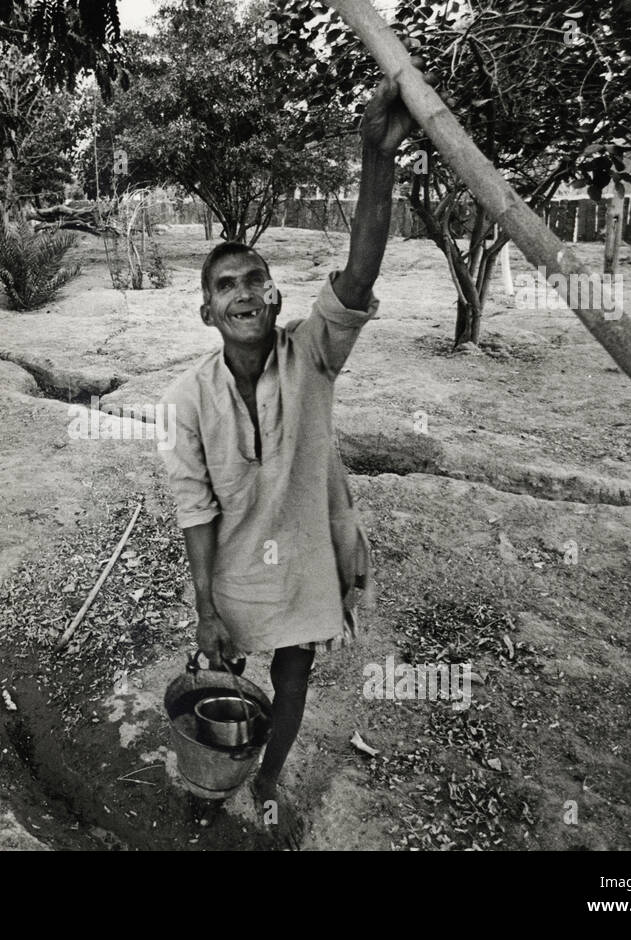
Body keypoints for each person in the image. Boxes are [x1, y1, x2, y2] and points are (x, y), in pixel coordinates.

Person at [158, 55, 434, 849]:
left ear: (272, 294)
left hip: (307, 555)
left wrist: (375, 158)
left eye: (255, 280)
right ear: (206, 311)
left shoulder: (311, 354)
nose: (244, 294)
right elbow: (194, 508)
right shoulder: (186, 399)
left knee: (294, 672)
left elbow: (360, 270)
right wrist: (207, 605)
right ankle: (211, 778)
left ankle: (270, 776)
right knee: (219, 676)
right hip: (234, 568)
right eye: (226, 286)